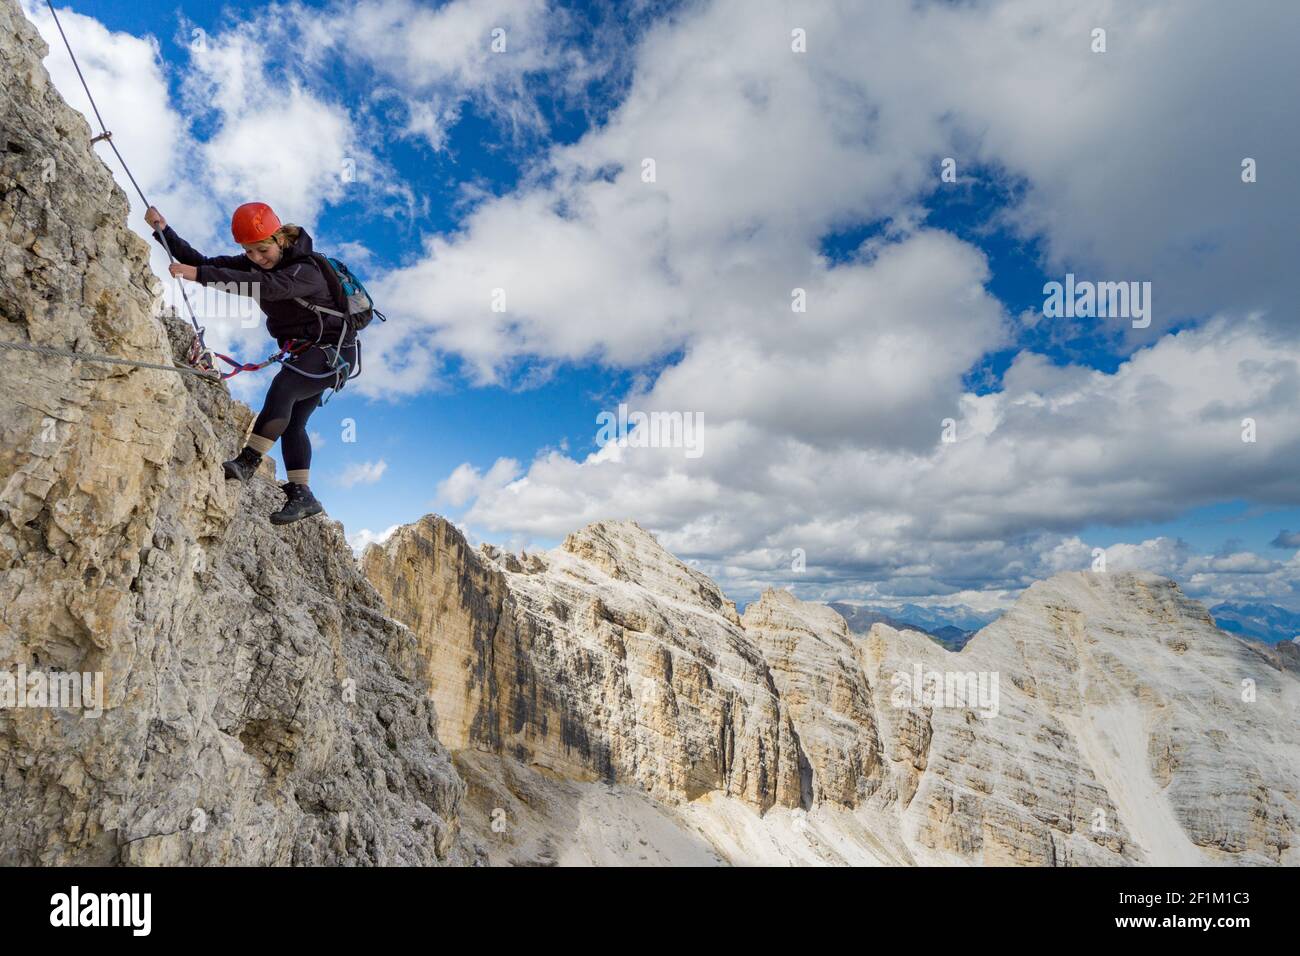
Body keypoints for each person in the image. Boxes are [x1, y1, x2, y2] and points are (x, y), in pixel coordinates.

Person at [145, 202, 356, 525]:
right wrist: (164, 231)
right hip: (308, 353)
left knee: (284, 388)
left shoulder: (307, 270)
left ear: (280, 238)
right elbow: (203, 261)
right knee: (295, 422)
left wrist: (199, 277)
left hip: (332, 351)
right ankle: (303, 495)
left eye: (262, 250)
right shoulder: (256, 264)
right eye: (249, 252)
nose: (257, 258)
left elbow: (268, 287)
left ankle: (247, 461)